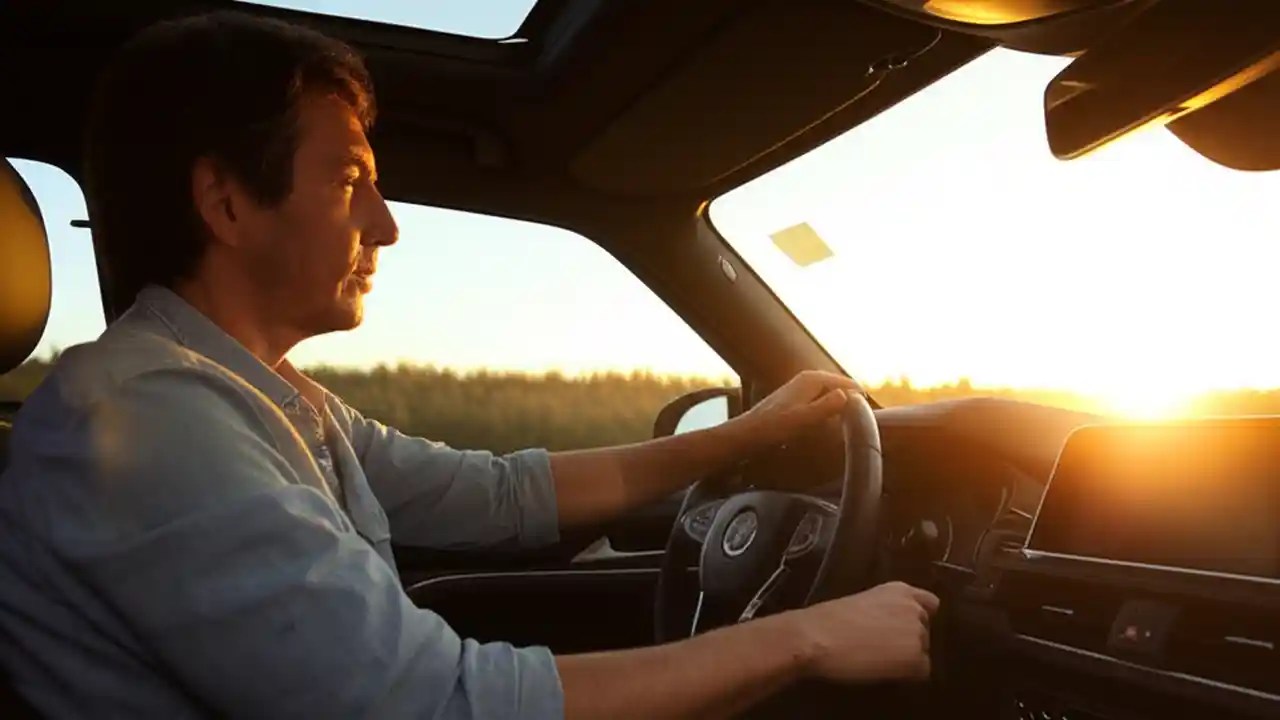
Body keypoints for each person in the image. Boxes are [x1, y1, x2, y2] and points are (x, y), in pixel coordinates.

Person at [0, 11, 937, 719]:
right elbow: (441, 706)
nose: (386, 225)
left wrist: (746, 435)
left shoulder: (265, 399)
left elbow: (500, 496)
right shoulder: (145, 416)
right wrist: (808, 638)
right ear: (228, 202)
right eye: (349, 181)